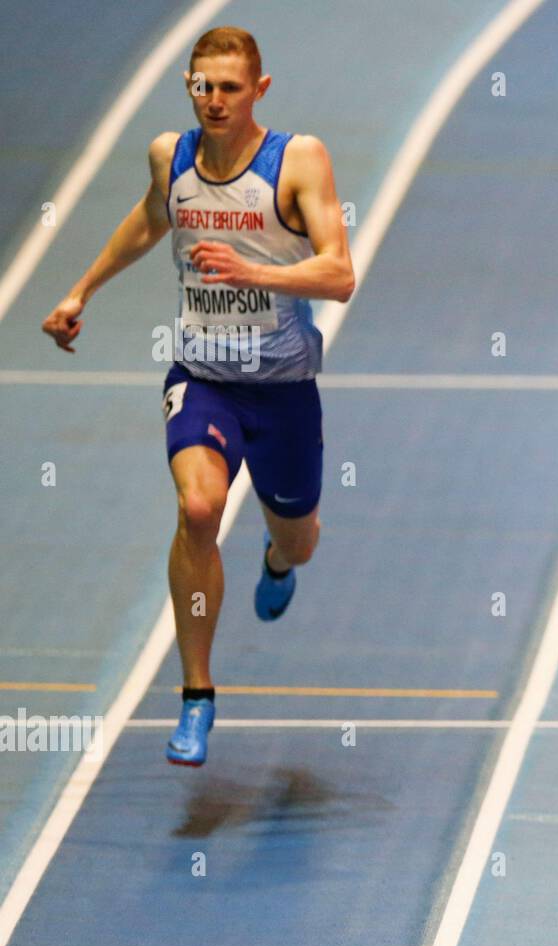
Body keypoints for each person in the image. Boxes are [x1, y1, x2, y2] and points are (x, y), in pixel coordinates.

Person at [41, 26, 354, 767]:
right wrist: (81, 289)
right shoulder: (170, 155)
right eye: (201, 87)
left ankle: (278, 561)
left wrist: (256, 272)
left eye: (230, 88)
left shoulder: (298, 160)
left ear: (260, 90)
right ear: (189, 85)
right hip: (202, 378)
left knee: (299, 538)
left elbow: (338, 274)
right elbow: (155, 215)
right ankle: (196, 695)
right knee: (199, 509)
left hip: (282, 390)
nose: (214, 101)